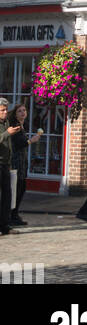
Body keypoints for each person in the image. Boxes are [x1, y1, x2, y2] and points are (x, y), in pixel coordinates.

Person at [0, 98, 16, 236]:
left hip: (5, 164)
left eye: (6, 109)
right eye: (2, 110)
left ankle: (5, 225)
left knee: (7, 196)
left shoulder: (6, 123)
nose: (5, 112)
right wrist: (7, 133)